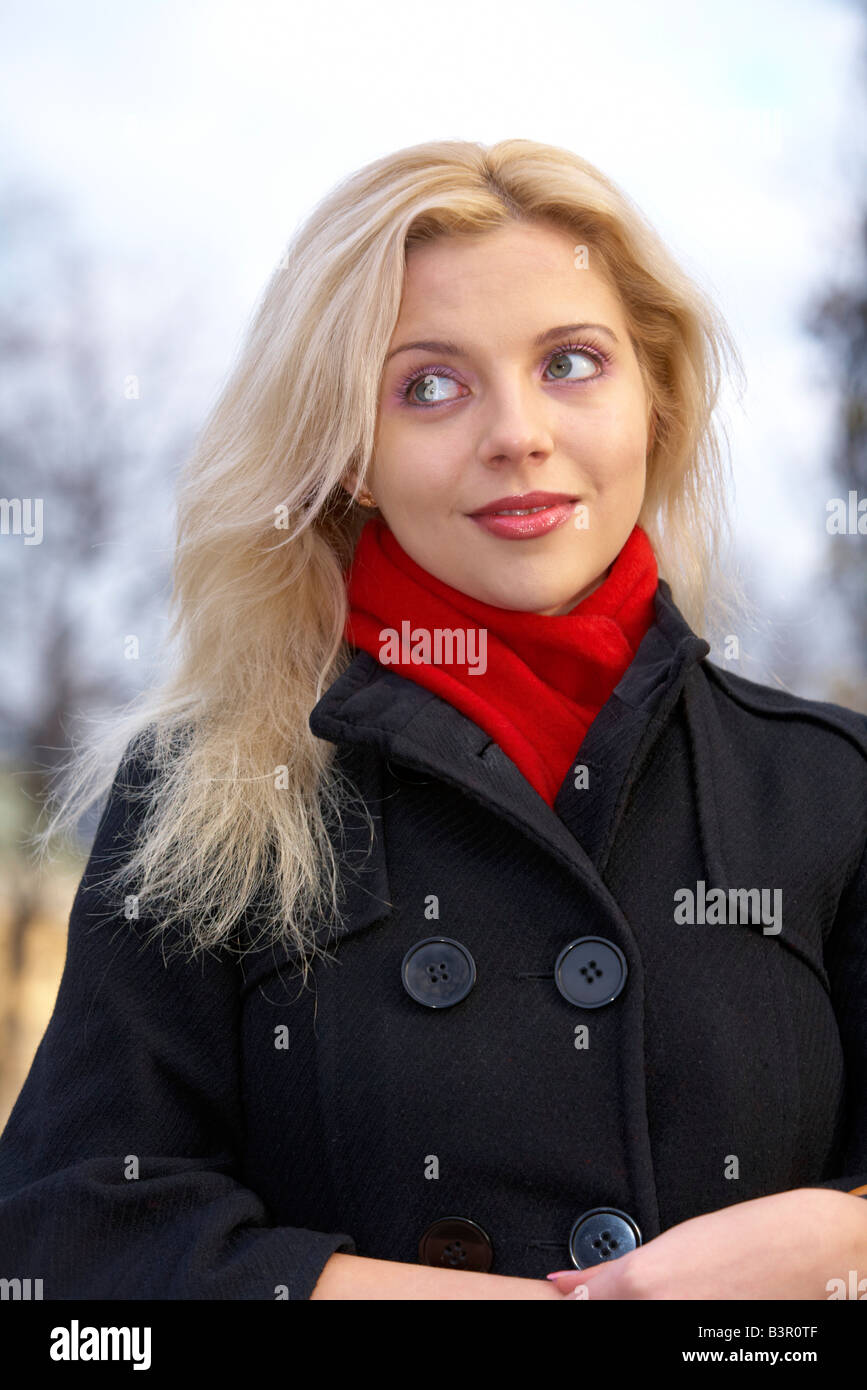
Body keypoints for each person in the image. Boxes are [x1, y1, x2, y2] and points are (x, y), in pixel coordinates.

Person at [1, 138, 865, 1301]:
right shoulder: (208, 793)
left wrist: (845, 1250)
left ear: (653, 397)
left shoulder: (830, 788)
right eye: (429, 385)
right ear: (349, 452)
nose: (517, 432)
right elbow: (68, 1255)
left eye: (570, 362)